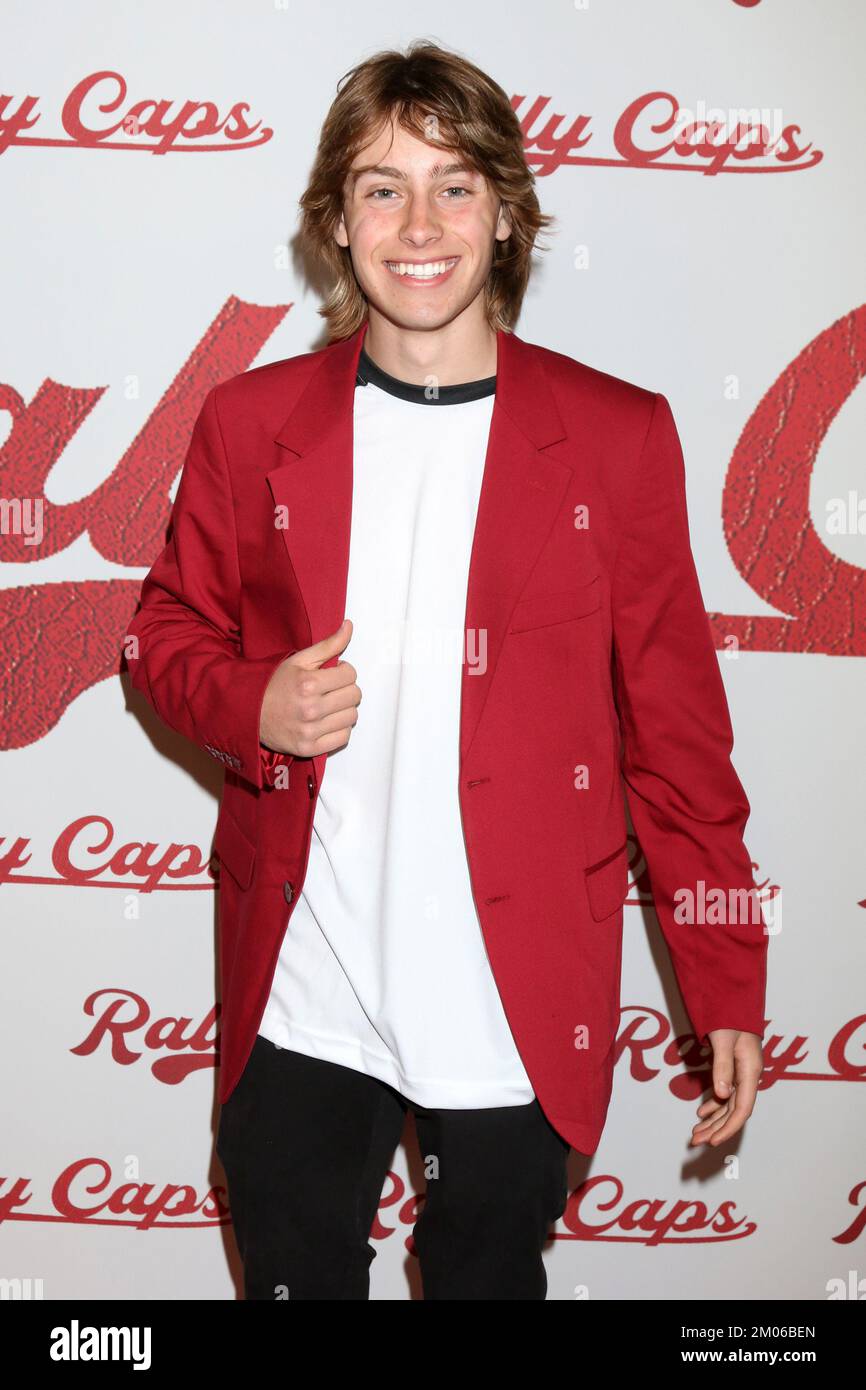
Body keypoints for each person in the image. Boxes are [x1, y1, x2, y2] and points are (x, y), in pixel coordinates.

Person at [124, 40, 768, 1301]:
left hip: (513, 999)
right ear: (335, 222)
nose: (418, 224)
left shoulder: (618, 437)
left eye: (455, 184)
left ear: (509, 213)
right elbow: (161, 636)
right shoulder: (249, 425)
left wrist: (723, 972)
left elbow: (676, 733)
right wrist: (254, 703)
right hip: (304, 986)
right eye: (380, 187)